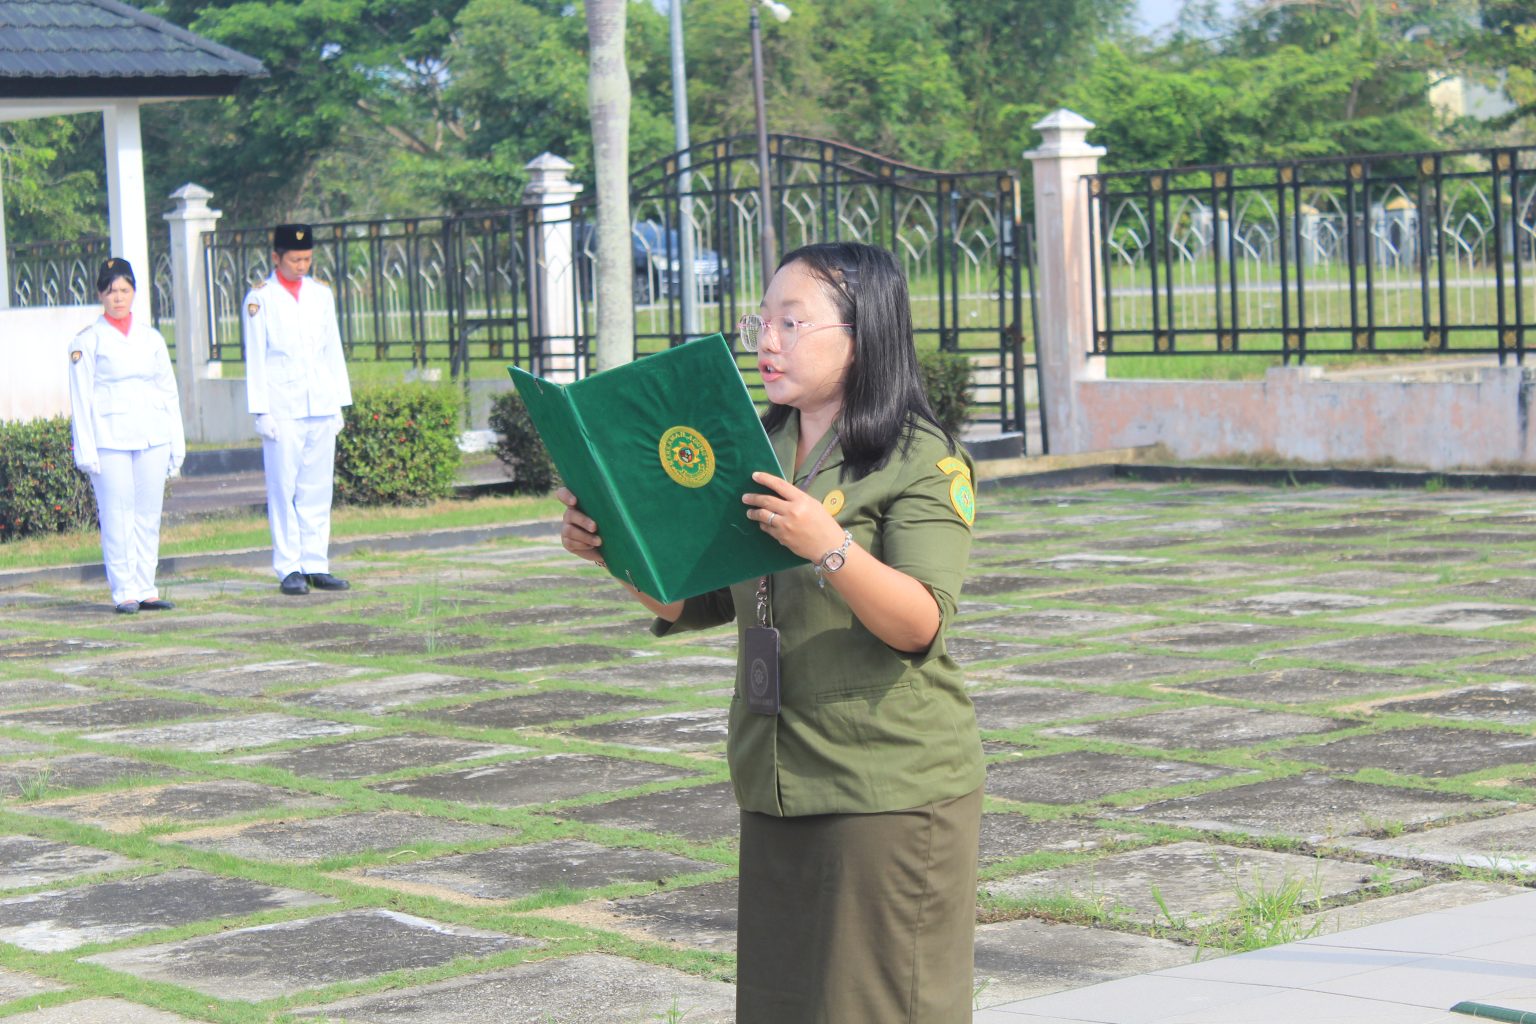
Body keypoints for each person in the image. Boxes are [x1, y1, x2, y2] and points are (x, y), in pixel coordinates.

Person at [558, 242, 983, 1022]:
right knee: (785, 1005)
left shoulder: (918, 459)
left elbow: (921, 622)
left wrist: (828, 542)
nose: (767, 341)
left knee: (880, 1007)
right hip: (779, 774)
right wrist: (610, 548)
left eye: (794, 322)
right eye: (763, 319)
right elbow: (699, 600)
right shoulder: (755, 450)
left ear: (863, 338)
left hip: (883, 784)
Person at [68, 258, 186, 615]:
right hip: (110, 439)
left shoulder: (151, 338)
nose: (118, 297)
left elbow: (168, 392)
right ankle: (124, 591)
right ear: (100, 294)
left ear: (134, 292)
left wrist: (176, 444)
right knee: (118, 514)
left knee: (148, 513)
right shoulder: (87, 341)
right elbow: (81, 399)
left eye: (124, 290)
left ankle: (146, 586)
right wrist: (86, 451)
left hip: (152, 434)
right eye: (110, 291)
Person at [243, 223, 353, 596]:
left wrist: (339, 401)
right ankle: (288, 566)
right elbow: (255, 357)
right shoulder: (261, 298)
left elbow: (332, 350)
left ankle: (315, 563)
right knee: (283, 487)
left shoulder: (321, 295)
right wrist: (261, 411)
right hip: (282, 407)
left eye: (307, 259)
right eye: (294, 259)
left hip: (319, 403)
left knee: (317, 488)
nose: (302, 265)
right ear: (276, 258)